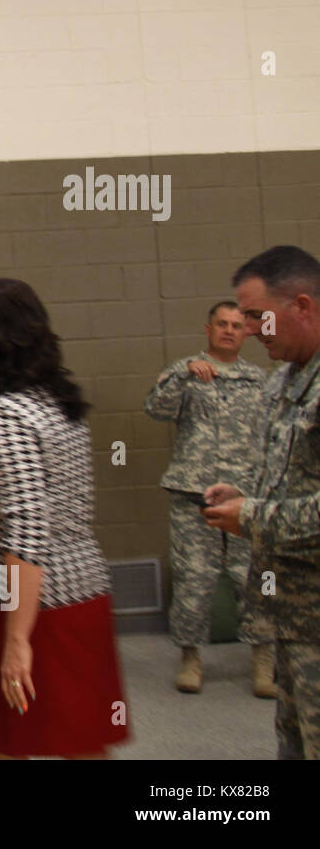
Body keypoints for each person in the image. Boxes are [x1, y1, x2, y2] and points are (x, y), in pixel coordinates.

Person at [0, 278, 128, 759]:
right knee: (81, 741)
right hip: (79, 590)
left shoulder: (5, 413)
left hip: (32, 604)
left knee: (13, 743)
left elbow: (29, 528)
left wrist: (17, 639)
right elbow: (45, 506)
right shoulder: (55, 398)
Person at [204, 245, 320, 759]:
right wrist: (245, 497)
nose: (248, 329)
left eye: (257, 315)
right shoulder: (288, 378)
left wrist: (249, 516)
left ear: (301, 306)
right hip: (294, 621)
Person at [143, 301, 273, 696]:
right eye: (222, 324)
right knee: (194, 578)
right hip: (193, 492)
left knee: (252, 578)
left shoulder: (260, 380)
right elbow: (155, 409)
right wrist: (182, 376)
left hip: (246, 494)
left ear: (246, 332)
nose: (230, 330)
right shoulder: (187, 371)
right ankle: (191, 658)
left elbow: (272, 434)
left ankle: (264, 662)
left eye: (237, 325)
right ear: (208, 329)